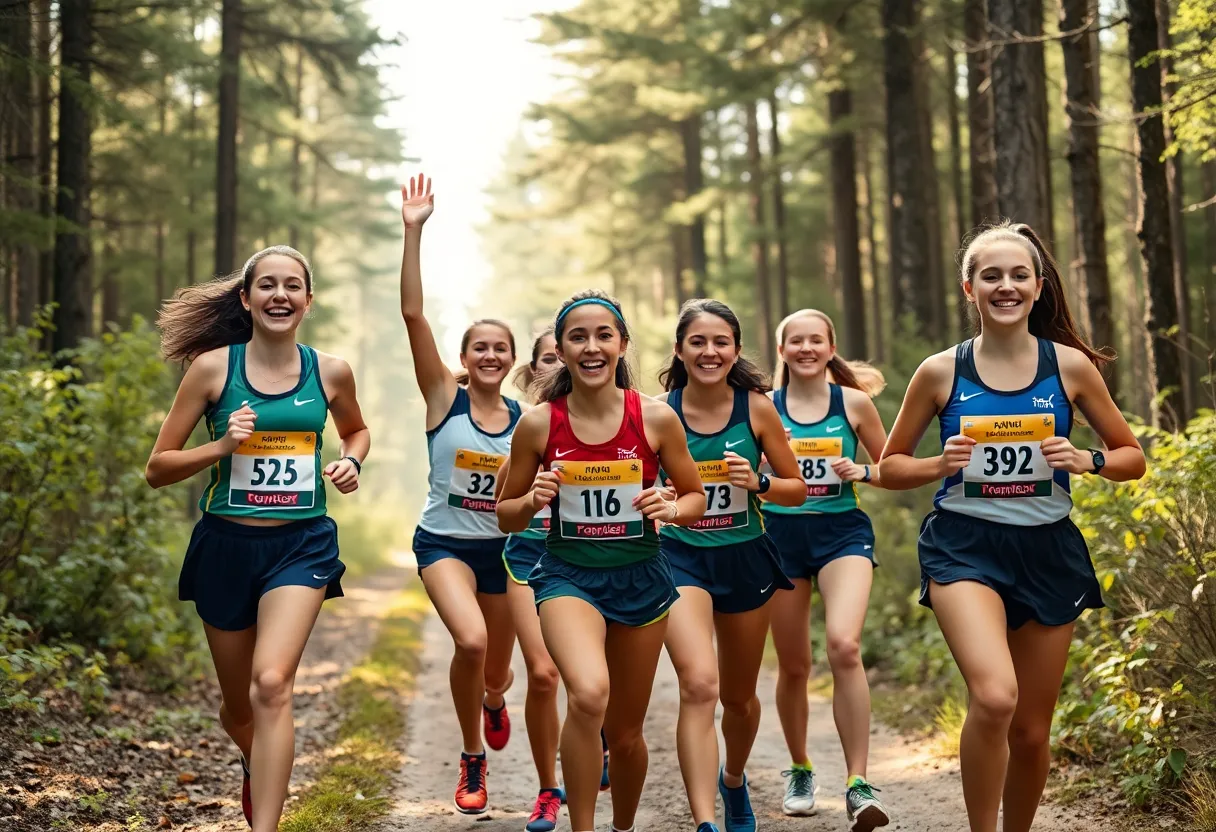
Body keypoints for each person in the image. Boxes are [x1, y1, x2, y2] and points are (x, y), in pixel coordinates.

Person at [879, 221, 1145, 832]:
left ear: (1038, 285)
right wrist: (935, 465)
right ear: (968, 288)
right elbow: (890, 467)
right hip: (963, 547)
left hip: (1048, 549)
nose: (1006, 286)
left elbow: (1132, 456)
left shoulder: (1070, 367)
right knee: (996, 697)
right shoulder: (941, 372)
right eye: (991, 276)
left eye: (1018, 275)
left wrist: (1088, 459)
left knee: (1030, 731)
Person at [146, 245, 369, 832]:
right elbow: (158, 467)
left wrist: (352, 461)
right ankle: (254, 758)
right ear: (245, 300)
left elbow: (358, 430)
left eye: (292, 285)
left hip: (302, 545)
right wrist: (220, 446)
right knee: (239, 706)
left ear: (308, 301)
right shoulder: (214, 369)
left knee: (272, 683)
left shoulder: (332, 371)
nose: (280, 295)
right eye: (266, 285)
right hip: (225, 547)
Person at [497, 290, 707, 832]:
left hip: (642, 576)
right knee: (588, 694)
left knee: (627, 732)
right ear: (561, 351)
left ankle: (623, 826)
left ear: (622, 345)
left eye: (603, 335)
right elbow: (507, 516)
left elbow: (694, 497)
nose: (591, 347)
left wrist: (672, 507)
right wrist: (533, 498)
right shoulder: (540, 425)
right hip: (568, 576)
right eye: (577, 337)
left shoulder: (656, 420)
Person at [655, 299, 806, 832]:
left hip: (745, 557)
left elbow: (796, 490)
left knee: (739, 701)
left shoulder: (757, 409)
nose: (709, 352)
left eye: (720, 342)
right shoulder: (658, 412)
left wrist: (758, 482)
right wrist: (657, 499)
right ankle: (704, 822)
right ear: (679, 350)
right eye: (697, 342)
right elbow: (632, 486)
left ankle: (734, 779)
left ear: (736, 350)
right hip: (680, 556)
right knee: (699, 685)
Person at [400, 174, 519, 815]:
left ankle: (495, 700)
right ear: (465, 358)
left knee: (497, 672)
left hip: (503, 552)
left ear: (511, 360)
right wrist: (414, 230)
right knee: (469, 644)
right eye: (480, 348)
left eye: (501, 349)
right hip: (443, 544)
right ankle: (473, 756)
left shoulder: (528, 420)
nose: (490, 355)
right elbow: (414, 315)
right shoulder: (443, 401)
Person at [762, 308, 891, 830]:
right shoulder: (762, 407)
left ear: (831, 346)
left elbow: (891, 467)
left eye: (817, 340)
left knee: (844, 645)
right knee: (794, 664)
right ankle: (800, 768)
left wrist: (862, 469)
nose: (807, 348)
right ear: (782, 351)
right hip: (778, 537)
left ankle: (859, 783)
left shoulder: (854, 404)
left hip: (842, 533)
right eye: (796, 341)